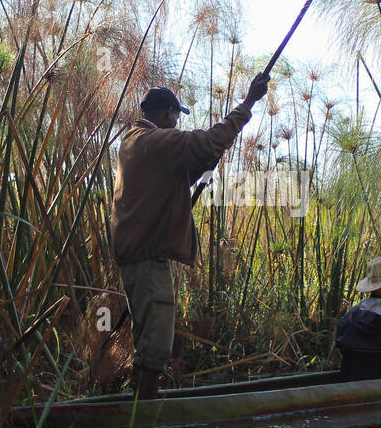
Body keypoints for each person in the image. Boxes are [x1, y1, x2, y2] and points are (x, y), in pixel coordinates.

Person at [111, 76, 269, 401]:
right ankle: (146, 420)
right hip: (147, 261)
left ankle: (138, 411)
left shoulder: (134, 142)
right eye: (176, 117)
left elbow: (172, 179)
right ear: (168, 114)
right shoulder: (152, 141)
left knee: (147, 340)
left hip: (136, 257)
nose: (177, 123)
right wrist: (249, 102)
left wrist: (203, 166)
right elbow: (209, 140)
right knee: (156, 343)